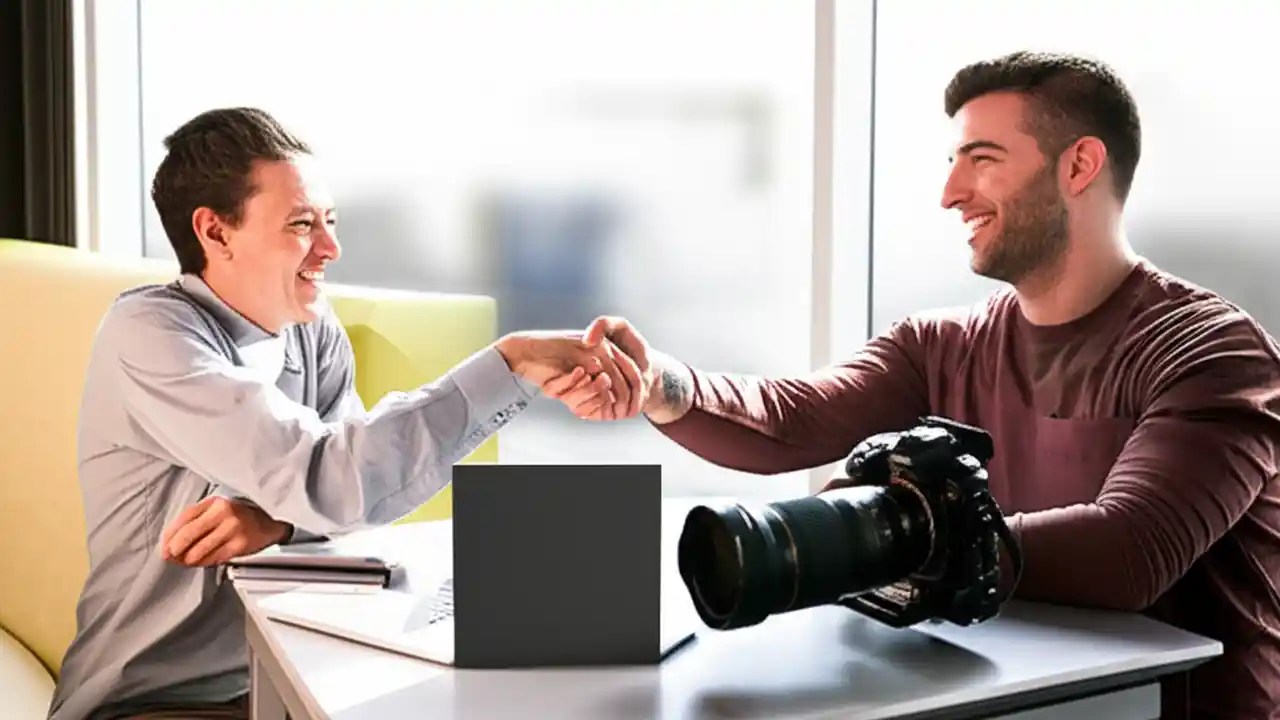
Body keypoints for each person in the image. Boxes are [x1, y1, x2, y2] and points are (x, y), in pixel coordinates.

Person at [585, 51, 1280, 719]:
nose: (950, 194)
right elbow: (795, 421)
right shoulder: (941, 344)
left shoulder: (1213, 352)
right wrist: (657, 383)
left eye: (982, 161)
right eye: (953, 162)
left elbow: (1132, 552)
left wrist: (905, 540)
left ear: (1080, 165)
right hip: (1016, 698)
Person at [49, 107, 645, 720]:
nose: (331, 247)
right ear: (216, 232)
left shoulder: (313, 331)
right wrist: (509, 365)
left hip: (283, 674)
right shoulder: (150, 334)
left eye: (329, 221)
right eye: (302, 224)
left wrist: (275, 523)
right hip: (154, 703)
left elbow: (360, 506)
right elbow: (335, 480)